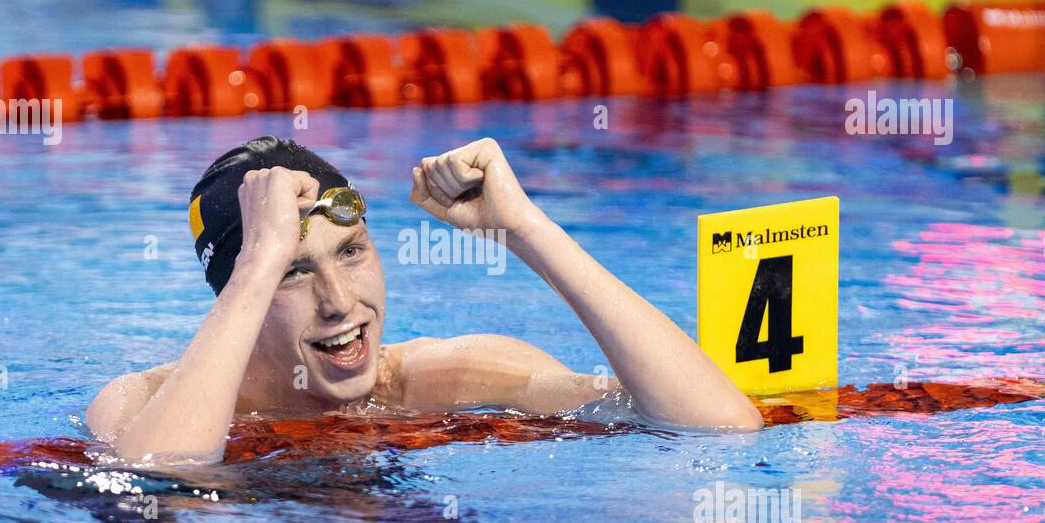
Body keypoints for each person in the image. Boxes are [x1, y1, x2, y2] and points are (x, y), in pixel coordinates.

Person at [86, 135, 763, 467]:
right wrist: (260, 255)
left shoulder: (446, 375)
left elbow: (719, 426)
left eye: (351, 252)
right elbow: (166, 488)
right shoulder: (139, 403)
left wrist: (526, 230)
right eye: (291, 273)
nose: (338, 301)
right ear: (241, 289)